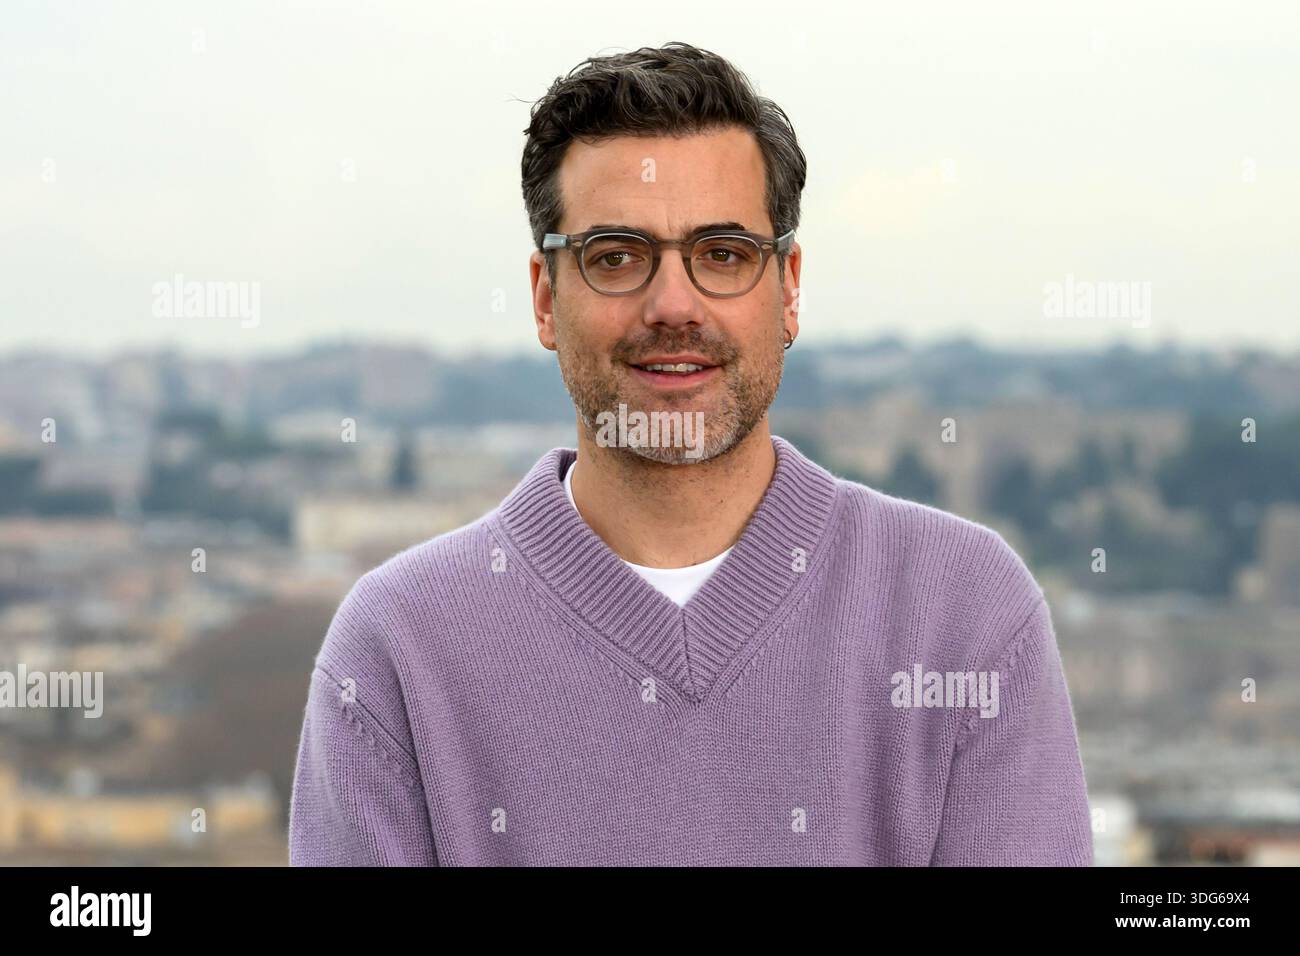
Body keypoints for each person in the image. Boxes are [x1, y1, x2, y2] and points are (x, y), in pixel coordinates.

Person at [289, 41, 1093, 866]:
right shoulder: (396, 650)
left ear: (788, 290)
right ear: (543, 298)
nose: (673, 305)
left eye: (723, 255)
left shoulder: (966, 615)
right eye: (615, 258)